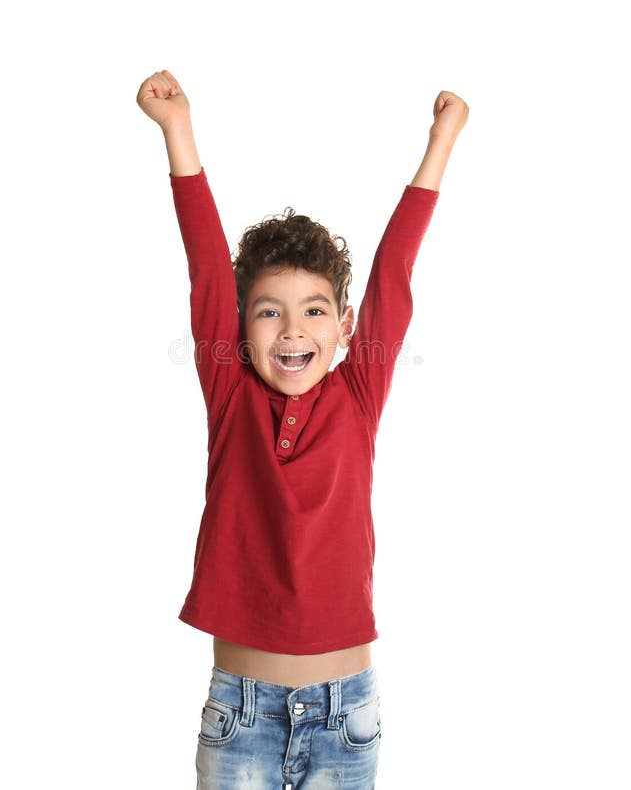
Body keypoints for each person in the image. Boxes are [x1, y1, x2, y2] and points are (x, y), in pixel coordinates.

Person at [136, 70, 468, 789]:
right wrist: (178, 134)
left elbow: (394, 276)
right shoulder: (230, 395)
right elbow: (204, 272)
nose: (292, 330)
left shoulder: (357, 393)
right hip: (241, 715)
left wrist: (439, 144)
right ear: (236, 329)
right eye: (267, 312)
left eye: (314, 310)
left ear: (345, 328)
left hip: (345, 718)